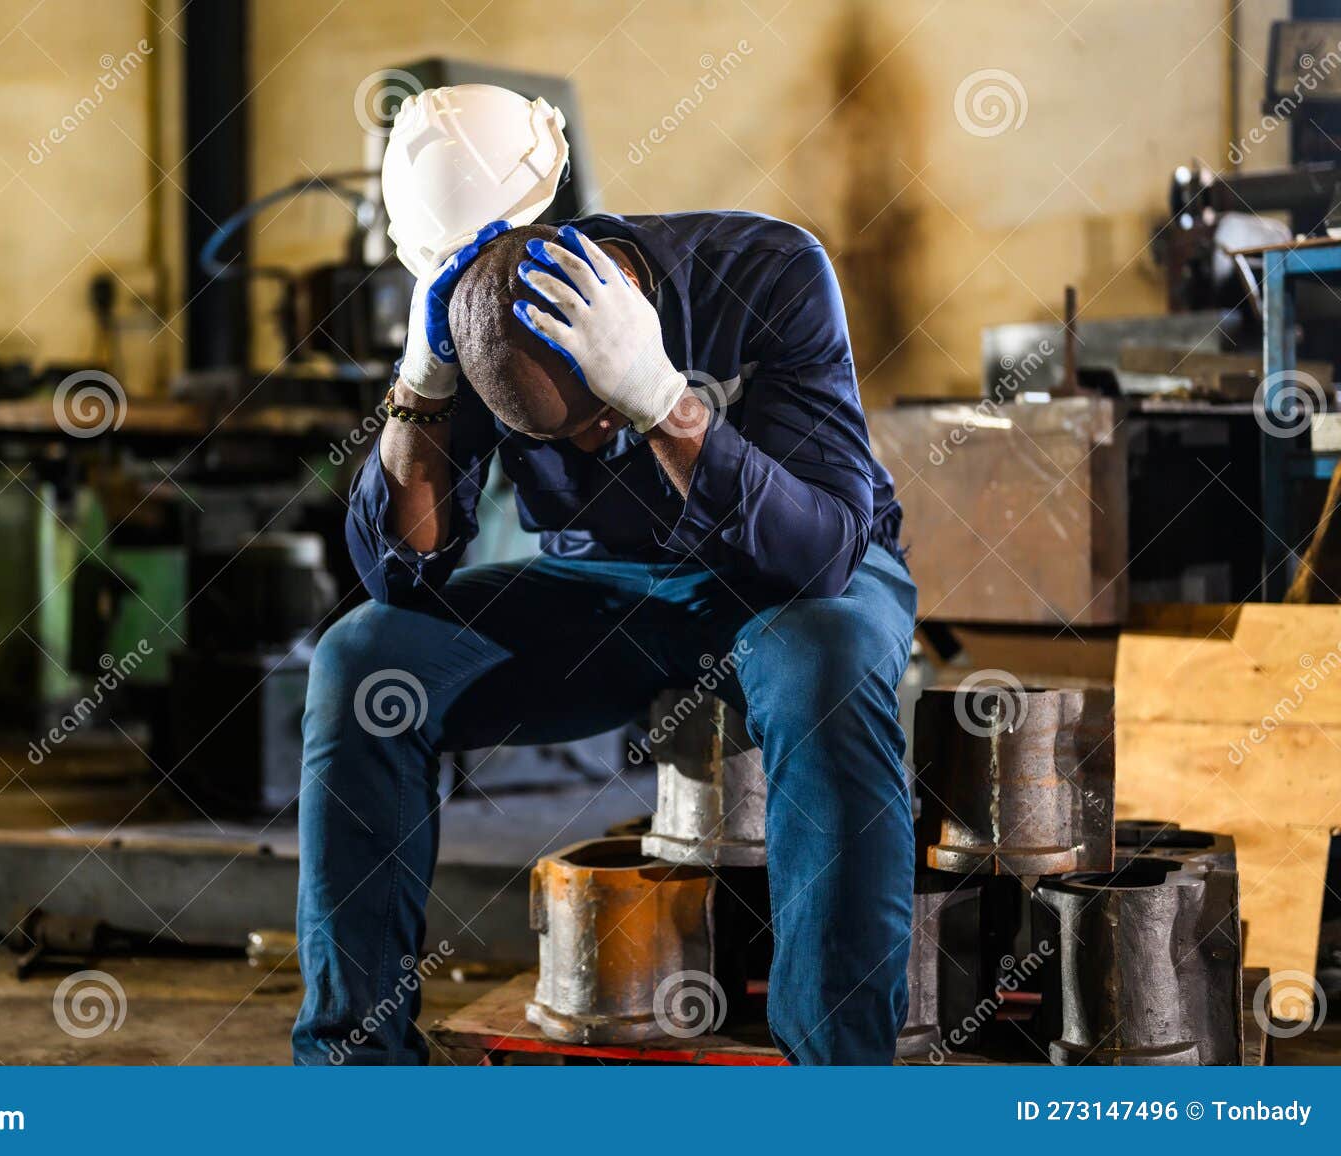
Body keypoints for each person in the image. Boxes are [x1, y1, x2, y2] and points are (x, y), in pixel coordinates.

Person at [292, 209, 916, 1065]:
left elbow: (823, 553)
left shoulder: (769, 268)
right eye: (559, 439)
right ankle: (352, 1078)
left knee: (826, 664)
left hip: (793, 577)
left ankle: (840, 1087)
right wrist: (421, 388)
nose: (591, 444)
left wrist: (665, 404)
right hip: (607, 585)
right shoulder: (495, 328)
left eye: (595, 417)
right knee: (361, 660)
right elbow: (402, 574)